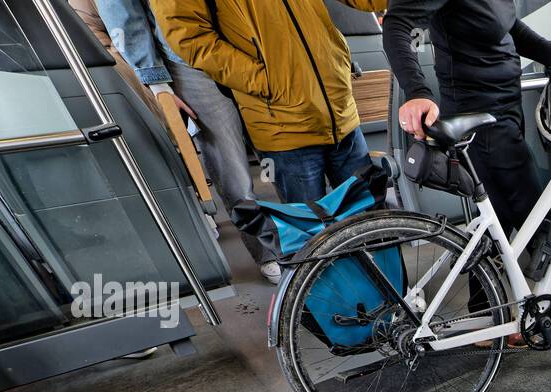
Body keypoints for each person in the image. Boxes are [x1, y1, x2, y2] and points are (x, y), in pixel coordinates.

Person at [382, 0, 551, 343]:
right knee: (536, 215)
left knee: (498, 220)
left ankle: (484, 316)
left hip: (505, 109)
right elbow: (396, 24)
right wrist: (417, 92)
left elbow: (507, 26)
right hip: (480, 117)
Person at [79, 0, 283, 283]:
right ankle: (269, 250)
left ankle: (307, 239)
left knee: (283, 149)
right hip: (189, 60)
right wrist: (157, 81)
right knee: (231, 166)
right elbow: (122, 13)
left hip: (250, 45)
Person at [152, 0, 386, 205]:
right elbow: (190, 38)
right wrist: (267, 80)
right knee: (314, 229)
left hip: (340, 108)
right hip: (282, 123)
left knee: (377, 222)